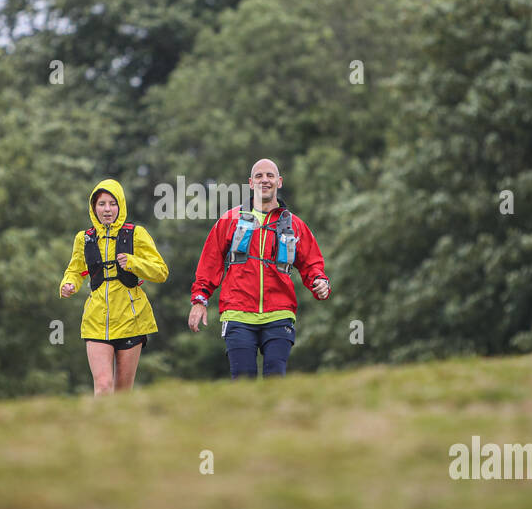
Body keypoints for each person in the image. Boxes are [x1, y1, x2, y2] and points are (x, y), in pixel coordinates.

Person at [188, 158, 329, 379]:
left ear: (279, 182)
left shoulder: (294, 225)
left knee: (276, 378)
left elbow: (312, 264)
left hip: (280, 312)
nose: (265, 180)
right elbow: (210, 261)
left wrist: (320, 283)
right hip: (238, 313)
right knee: (243, 381)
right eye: (259, 176)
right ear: (251, 183)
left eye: (270, 176)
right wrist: (199, 300)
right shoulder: (230, 220)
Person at [59, 178, 168, 395]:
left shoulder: (136, 234)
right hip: (96, 320)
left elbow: (161, 271)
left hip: (132, 320)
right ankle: (99, 429)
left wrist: (134, 263)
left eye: (112, 203)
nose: (107, 209)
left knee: (122, 393)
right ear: (93, 208)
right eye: (101, 204)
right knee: (103, 387)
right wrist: (68, 284)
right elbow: (76, 270)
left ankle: (120, 428)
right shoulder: (84, 239)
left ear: (120, 205)